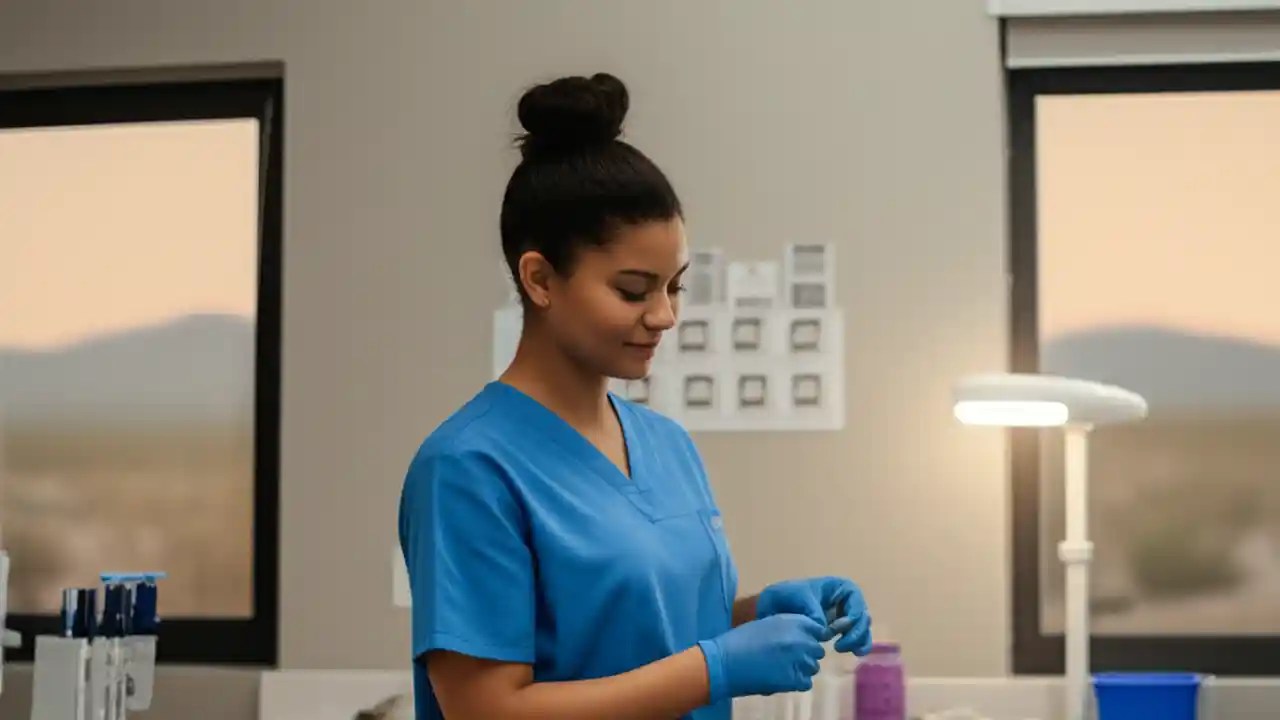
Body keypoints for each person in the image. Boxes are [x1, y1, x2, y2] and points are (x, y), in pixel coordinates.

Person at [398, 72, 873, 720]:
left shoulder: (665, 444)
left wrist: (758, 613)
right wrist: (718, 668)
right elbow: (486, 710)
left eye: (674, 286)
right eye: (632, 290)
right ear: (539, 278)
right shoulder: (469, 468)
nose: (664, 316)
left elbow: (642, 629)